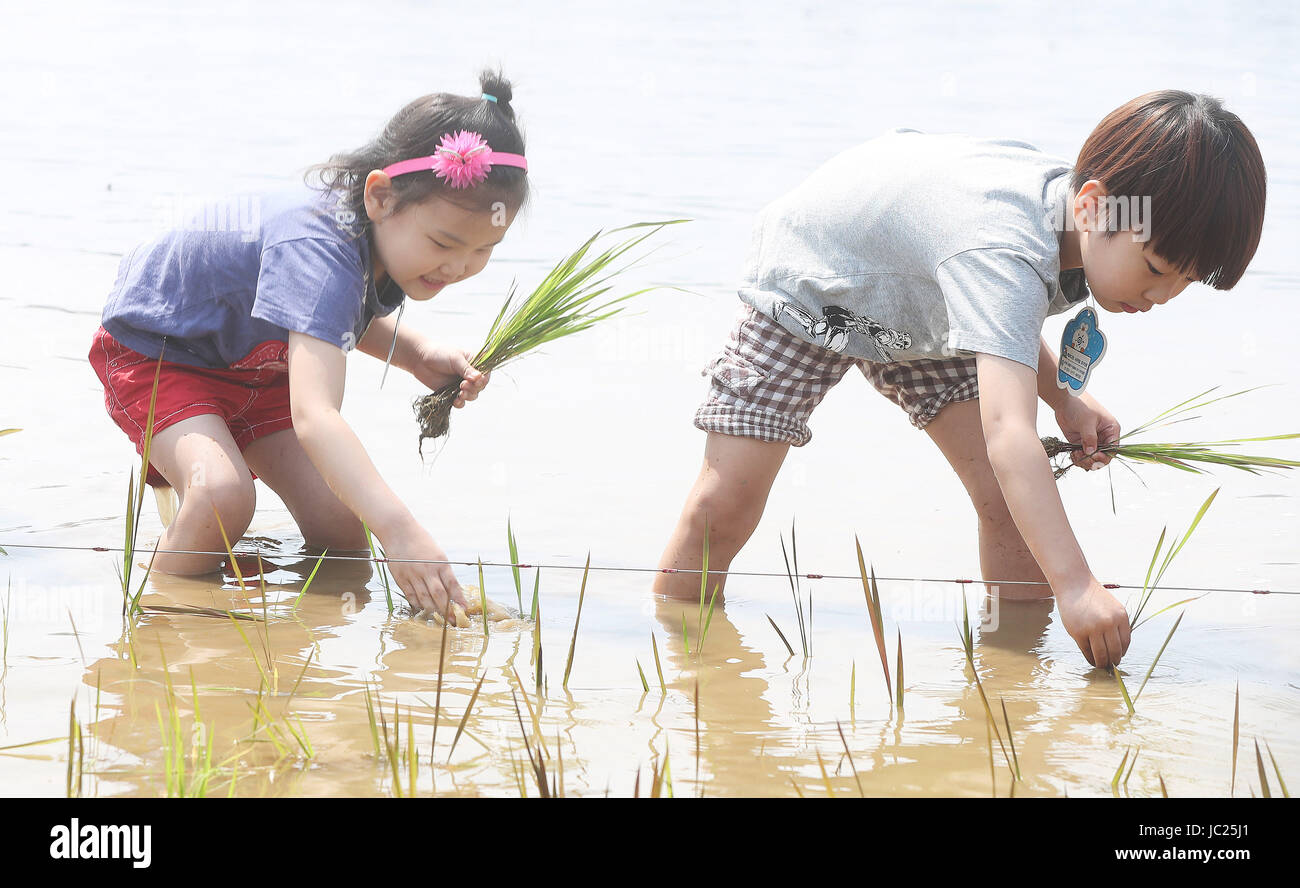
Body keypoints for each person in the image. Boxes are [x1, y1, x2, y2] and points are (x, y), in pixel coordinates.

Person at [655, 90, 1266, 670]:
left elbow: (1001, 317)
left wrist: (1065, 399)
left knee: (1009, 503)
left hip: (927, 296)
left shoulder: (1071, 227)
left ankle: (1008, 675)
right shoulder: (1003, 247)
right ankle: (685, 665)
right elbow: (1009, 433)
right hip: (817, 284)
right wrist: (1078, 585)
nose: (1161, 296)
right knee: (724, 505)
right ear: (1092, 205)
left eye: (1184, 281)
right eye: (1157, 268)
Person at [89, 70, 529, 616]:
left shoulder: (378, 244)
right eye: (444, 242)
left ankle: (303, 638)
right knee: (222, 496)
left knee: (341, 524)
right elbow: (316, 416)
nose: (459, 266)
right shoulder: (316, 245)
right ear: (380, 197)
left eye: (484, 250)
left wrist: (417, 354)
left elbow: (326, 316)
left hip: (256, 368)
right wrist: (401, 531)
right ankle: (161, 620)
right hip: (161, 353)